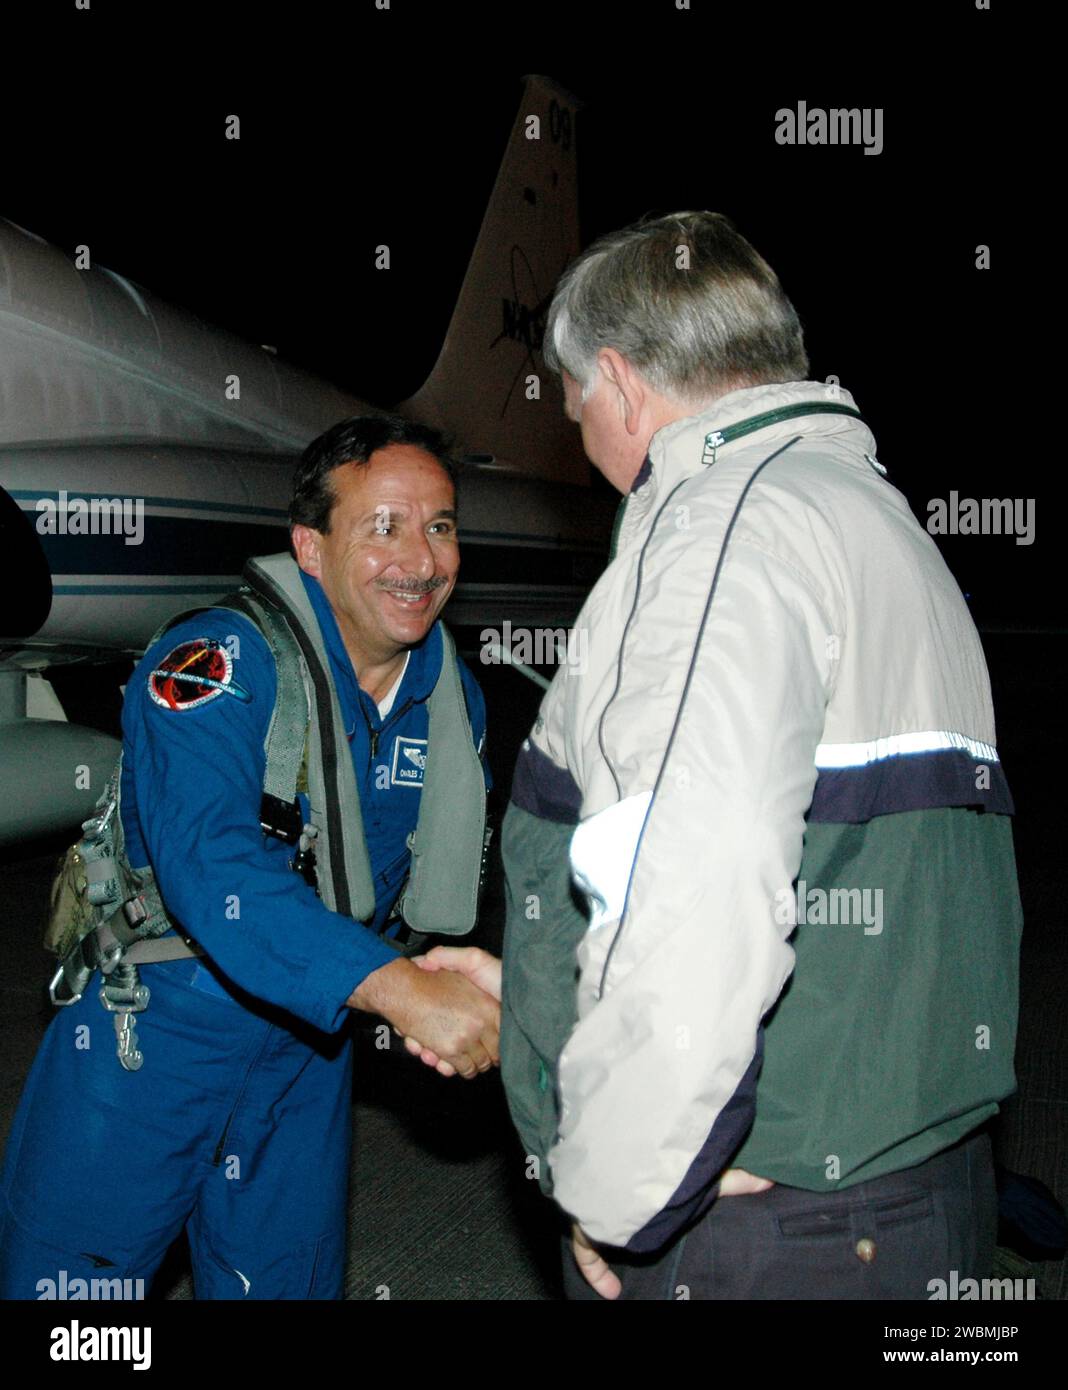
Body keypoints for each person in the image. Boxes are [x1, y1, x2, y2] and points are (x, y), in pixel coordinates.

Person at [495, 211, 1024, 1299]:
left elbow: (697, 878)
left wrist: (622, 1186)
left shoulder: (724, 530)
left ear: (621, 381)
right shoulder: (868, 516)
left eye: (577, 400)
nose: (580, 430)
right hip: (917, 1197)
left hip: (774, 1228)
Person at [0, 414, 499, 1300]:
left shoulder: (448, 696)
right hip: (154, 1027)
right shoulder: (215, 666)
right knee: (76, 1302)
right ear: (310, 547)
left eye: (440, 525)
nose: (420, 560)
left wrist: (456, 979)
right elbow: (212, 872)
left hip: (308, 1042)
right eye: (382, 526)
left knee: (285, 1285)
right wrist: (400, 989)